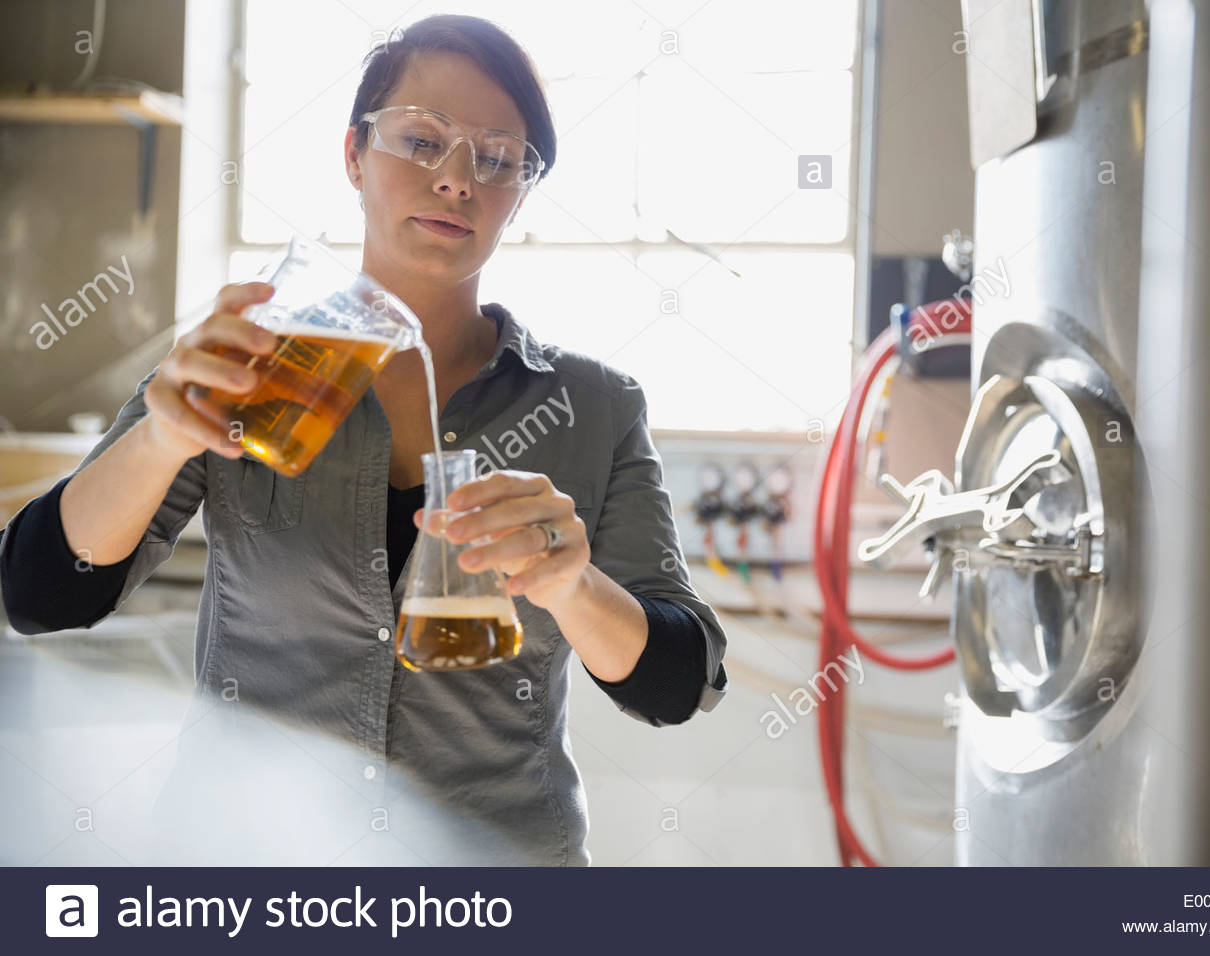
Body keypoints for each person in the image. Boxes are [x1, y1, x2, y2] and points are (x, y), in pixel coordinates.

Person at [0, 14, 727, 866]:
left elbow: (680, 684)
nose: (458, 178)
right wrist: (163, 435)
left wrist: (573, 584)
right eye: (422, 140)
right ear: (353, 154)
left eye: (497, 158)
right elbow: (41, 595)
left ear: (520, 194)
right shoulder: (254, 361)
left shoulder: (595, 405)